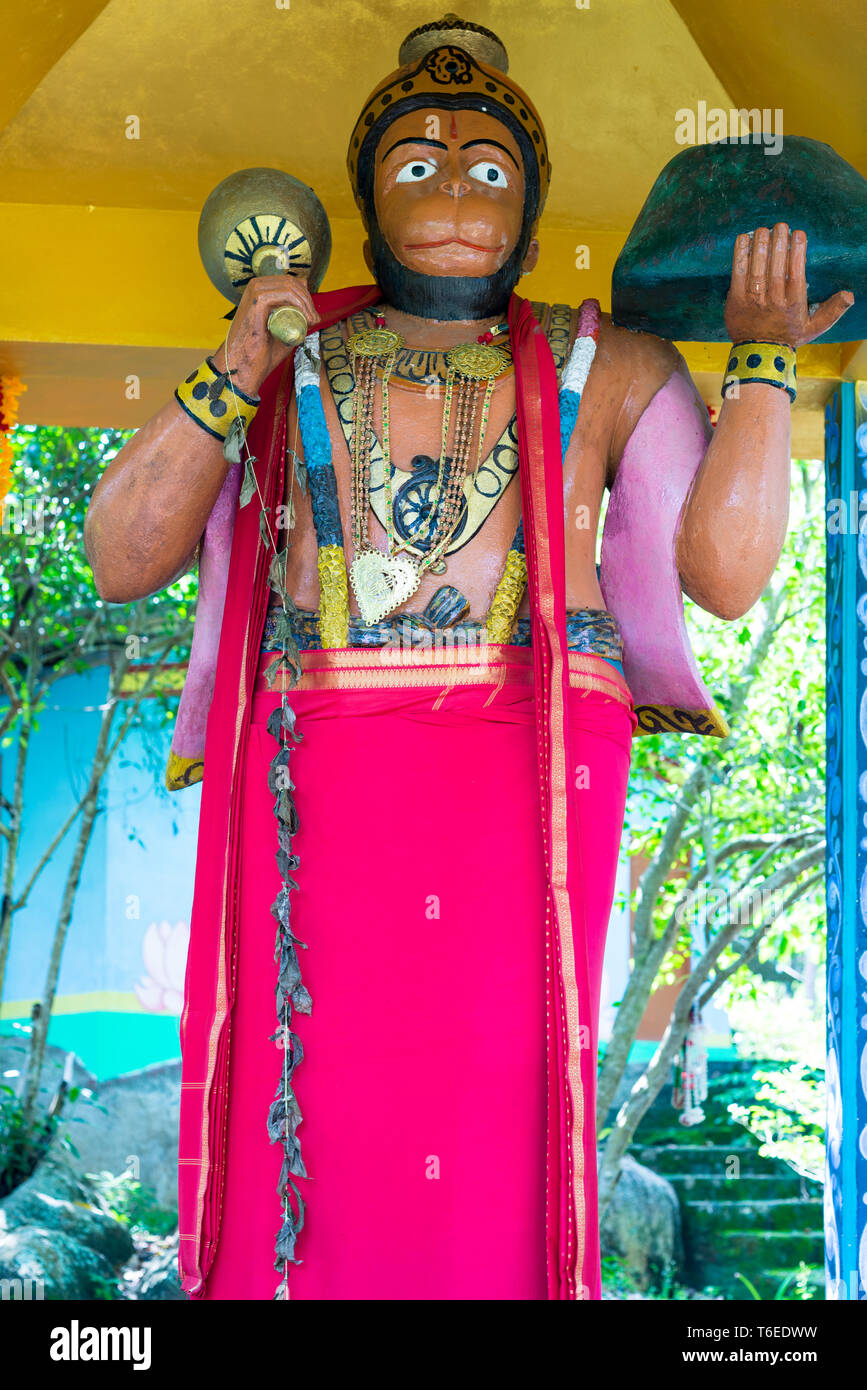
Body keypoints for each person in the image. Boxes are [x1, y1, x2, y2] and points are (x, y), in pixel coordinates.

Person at [84, 15, 852, 1301]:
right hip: (317, 772)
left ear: (536, 224)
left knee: (499, 1082)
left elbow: (722, 577)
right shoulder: (292, 353)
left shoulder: (613, 366)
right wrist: (231, 366)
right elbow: (120, 555)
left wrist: (765, 361)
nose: (451, 189)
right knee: (319, 1083)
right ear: (366, 204)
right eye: (417, 163)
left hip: (530, 764)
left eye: (488, 167)